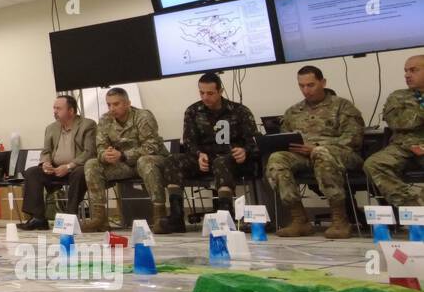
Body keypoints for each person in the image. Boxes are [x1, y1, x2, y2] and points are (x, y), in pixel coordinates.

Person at [266, 66, 365, 238]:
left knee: (321, 152)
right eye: (301, 86)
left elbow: (354, 138)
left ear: (323, 82)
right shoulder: (293, 111)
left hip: (341, 153)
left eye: (310, 85)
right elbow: (285, 139)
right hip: (303, 155)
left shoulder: (342, 106)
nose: (306, 90)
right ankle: (299, 220)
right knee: (276, 159)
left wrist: (317, 145)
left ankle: (340, 220)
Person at [159, 73, 259, 233]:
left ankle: (226, 215)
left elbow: (254, 141)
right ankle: (176, 216)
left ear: (220, 91)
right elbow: (189, 141)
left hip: (232, 159)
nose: (205, 97)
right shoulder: (193, 111)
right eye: (201, 92)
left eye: (210, 93)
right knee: (172, 161)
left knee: (222, 162)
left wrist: (245, 150)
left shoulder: (239, 111)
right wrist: (199, 154)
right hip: (204, 158)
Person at [82, 88, 167, 233]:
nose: (111, 108)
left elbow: (151, 146)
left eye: (116, 104)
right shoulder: (105, 120)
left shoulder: (142, 116)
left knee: (144, 161)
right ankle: (100, 218)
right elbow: (100, 146)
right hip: (125, 165)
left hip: (153, 160)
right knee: (92, 164)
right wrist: (106, 155)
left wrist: (122, 155)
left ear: (128, 103)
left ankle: (160, 216)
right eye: (109, 105)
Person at [22, 95, 96, 231]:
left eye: (58, 108)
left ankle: (70, 216)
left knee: (80, 172)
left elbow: (89, 152)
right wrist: (45, 163)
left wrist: (68, 166)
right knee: (32, 172)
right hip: (55, 169)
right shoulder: (51, 128)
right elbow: (46, 151)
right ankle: (38, 218)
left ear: (71, 111)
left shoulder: (88, 125)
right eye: (54, 108)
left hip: (76, 168)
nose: (55, 111)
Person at [364, 55, 424, 207]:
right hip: (402, 146)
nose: (407, 75)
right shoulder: (398, 96)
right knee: (373, 164)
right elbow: (397, 123)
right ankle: (413, 205)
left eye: (413, 70)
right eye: (405, 71)